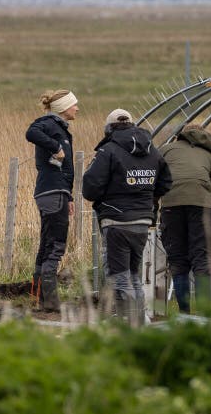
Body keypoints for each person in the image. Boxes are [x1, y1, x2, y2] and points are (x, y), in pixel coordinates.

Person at [82, 109, 172, 325]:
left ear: (109, 128)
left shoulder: (108, 151)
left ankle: (128, 321)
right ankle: (140, 318)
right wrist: (148, 199)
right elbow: (166, 182)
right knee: (133, 274)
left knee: (120, 276)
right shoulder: (153, 151)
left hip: (116, 221)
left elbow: (90, 188)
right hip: (142, 222)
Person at [25, 89, 79, 312]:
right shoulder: (48, 124)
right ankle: (51, 303)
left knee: (47, 244)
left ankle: (37, 297)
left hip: (56, 193)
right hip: (52, 191)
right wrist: (56, 147)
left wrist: (69, 196)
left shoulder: (59, 128)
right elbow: (31, 132)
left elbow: (65, 170)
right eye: (74, 104)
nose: (77, 108)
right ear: (64, 107)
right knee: (56, 246)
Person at [159, 123, 211, 315]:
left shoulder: (166, 150)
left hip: (171, 205)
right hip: (202, 206)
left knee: (178, 260)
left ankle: (185, 314)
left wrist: (153, 212)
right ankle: (204, 314)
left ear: (181, 135)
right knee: (201, 259)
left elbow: (157, 180)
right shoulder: (209, 156)